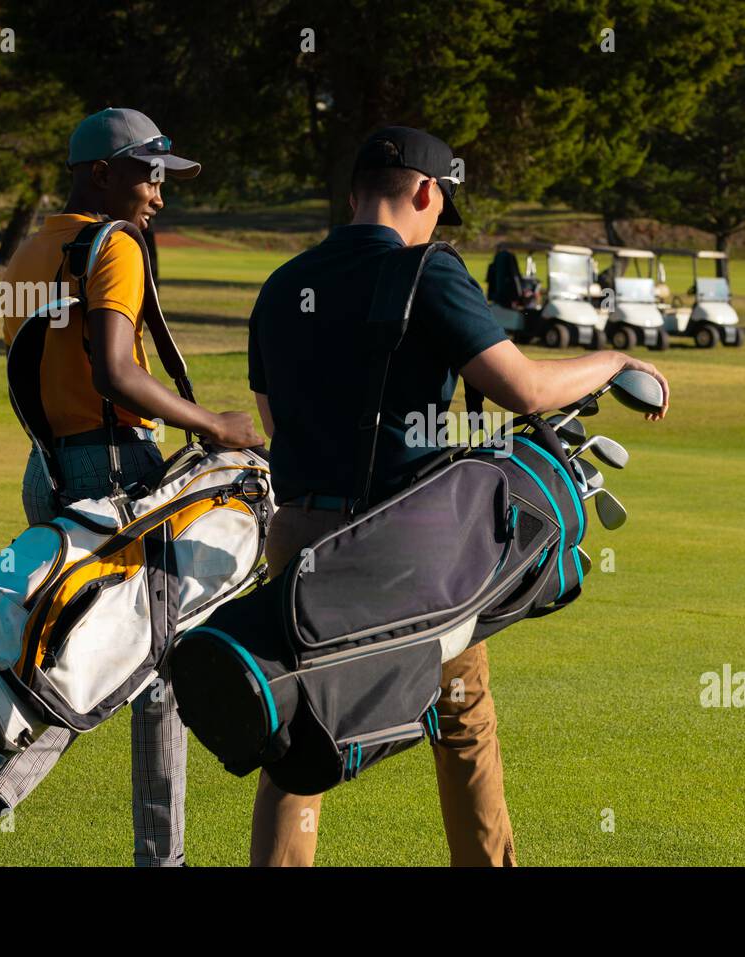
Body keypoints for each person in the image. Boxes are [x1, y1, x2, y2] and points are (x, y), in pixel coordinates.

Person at [247, 126, 669, 866]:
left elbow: (273, 420)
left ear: (353, 193)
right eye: (440, 205)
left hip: (296, 537)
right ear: (425, 192)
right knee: (464, 720)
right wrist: (613, 360)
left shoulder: (285, 285)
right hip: (400, 555)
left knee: (301, 738)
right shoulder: (428, 273)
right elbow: (528, 389)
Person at [0, 108, 263, 867]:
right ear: (102, 173)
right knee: (145, 673)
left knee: (87, 661)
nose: (158, 195)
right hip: (120, 475)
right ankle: (146, 856)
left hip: (48, 472)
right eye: (147, 175)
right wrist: (214, 423)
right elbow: (114, 370)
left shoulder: (32, 250)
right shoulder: (116, 245)